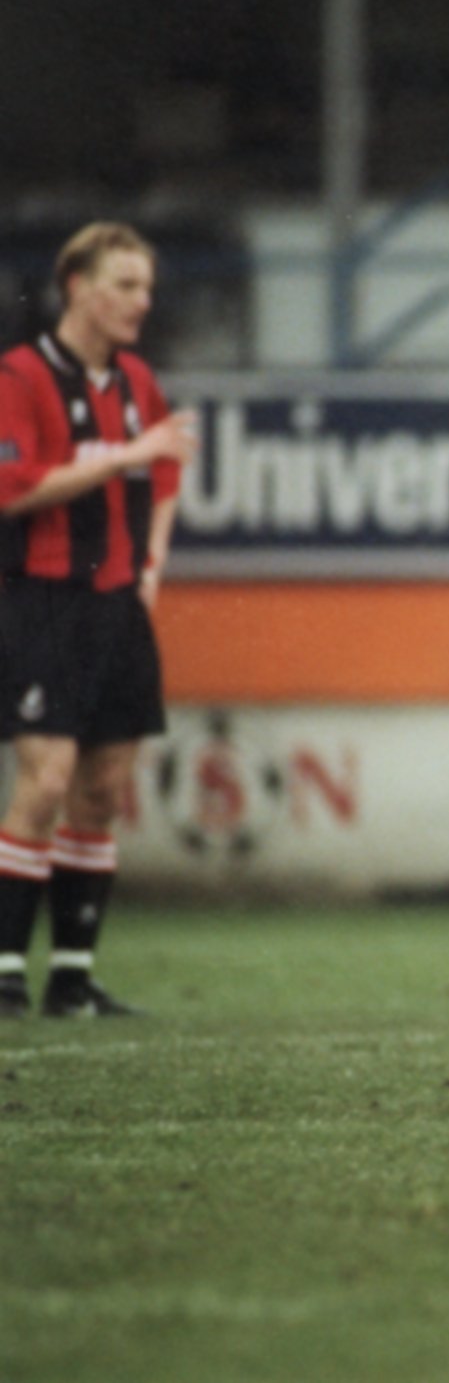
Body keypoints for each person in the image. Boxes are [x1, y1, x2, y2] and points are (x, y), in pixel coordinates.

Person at [0, 222, 200, 1019]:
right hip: (45, 599)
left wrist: (152, 560)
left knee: (103, 789)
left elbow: (170, 465)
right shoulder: (19, 375)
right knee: (44, 780)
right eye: (124, 284)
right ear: (77, 285)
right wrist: (119, 455)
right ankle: (6, 969)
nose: (140, 302)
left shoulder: (135, 380)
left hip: (118, 603)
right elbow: (12, 487)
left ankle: (73, 977)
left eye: (146, 286)